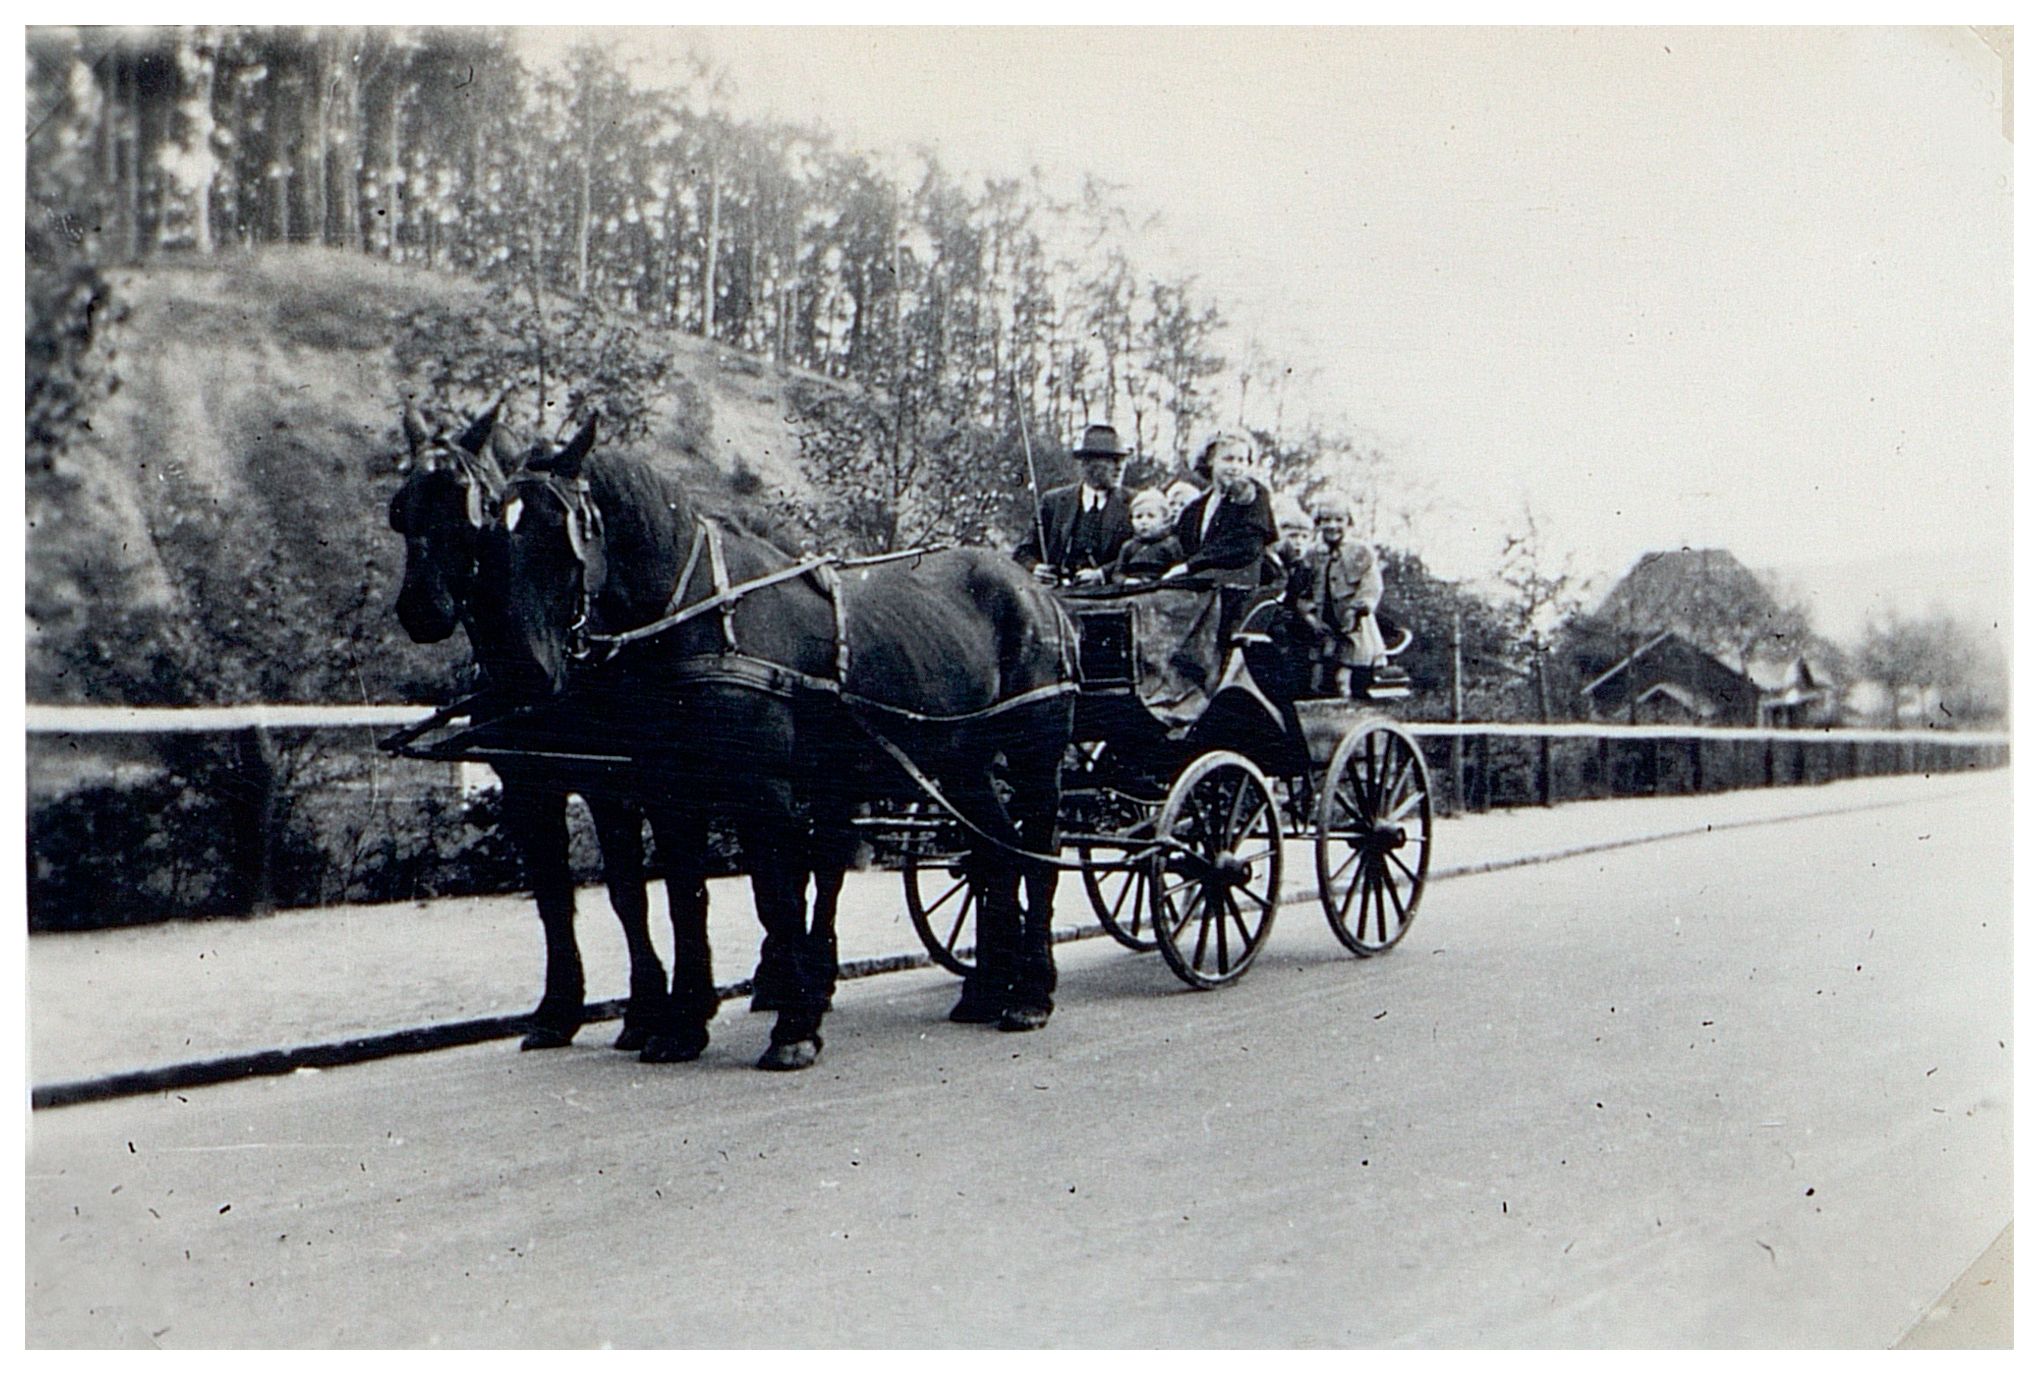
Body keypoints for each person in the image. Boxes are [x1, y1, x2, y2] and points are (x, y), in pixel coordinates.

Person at [1289, 490, 1386, 697]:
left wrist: (1357, 608)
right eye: (1326, 520)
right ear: (1319, 522)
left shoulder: (1361, 552)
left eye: (1339, 520)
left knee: (1351, 679)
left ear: (1348, 521)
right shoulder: (1312, 555)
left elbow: (1371, 587)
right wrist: (1310, 617)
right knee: (1319, 680)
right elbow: (1301, 594)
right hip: (1323, 631)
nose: (1332, 525)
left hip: (1354, 629)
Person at [1015, 423, 1135, 585]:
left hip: (1113, 600)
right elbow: (1024, 552)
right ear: (1086, 463)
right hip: (1058, 599)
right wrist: (1035, 569)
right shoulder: (1053, 502)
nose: (1119, 467)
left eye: (1122, 460)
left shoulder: (1133, 503)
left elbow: (1142, 554)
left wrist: (1102, 574)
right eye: (1111, 460)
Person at [1163, 430, 1276, 587]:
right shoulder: (1196, 507)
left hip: (1236, 584)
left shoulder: (1254, 496)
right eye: (1228, 459)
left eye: (1242, 460)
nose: (1235, 467)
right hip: (1200, 581)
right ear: (1210, 460)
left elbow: (1246, 545)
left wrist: (1191, 566)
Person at [1110, 487, 1185, 582]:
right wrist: (1126, 581)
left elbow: (1178, 570)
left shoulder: (1170, 544)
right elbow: (1117, 573)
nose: (1143, 522)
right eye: (1139, 516)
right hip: (1131, 590)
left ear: (1164, 520)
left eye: (1151, 516)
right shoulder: (1128, 546)